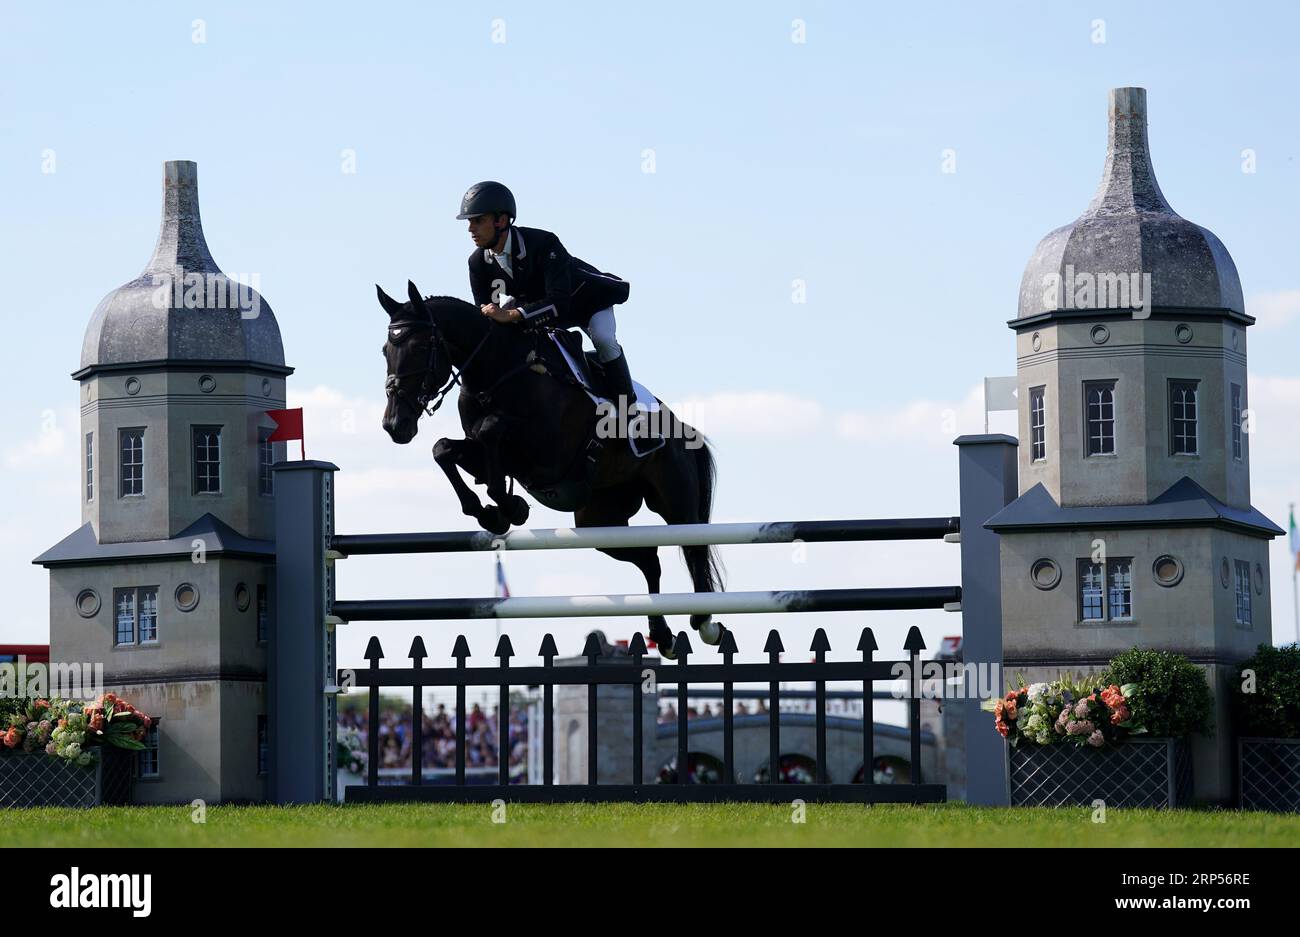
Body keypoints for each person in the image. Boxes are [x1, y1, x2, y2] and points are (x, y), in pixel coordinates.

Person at [458, 181, 642, 414]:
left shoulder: (543, 244)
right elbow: (488, 318)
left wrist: (512, 314)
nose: (470, 229)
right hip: (535, 305)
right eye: (469, 222)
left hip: (584, 300)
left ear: (501, 221)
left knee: (604, 339)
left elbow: (558, 303)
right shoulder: (477, 263)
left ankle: (631, 413)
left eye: (478, 220)